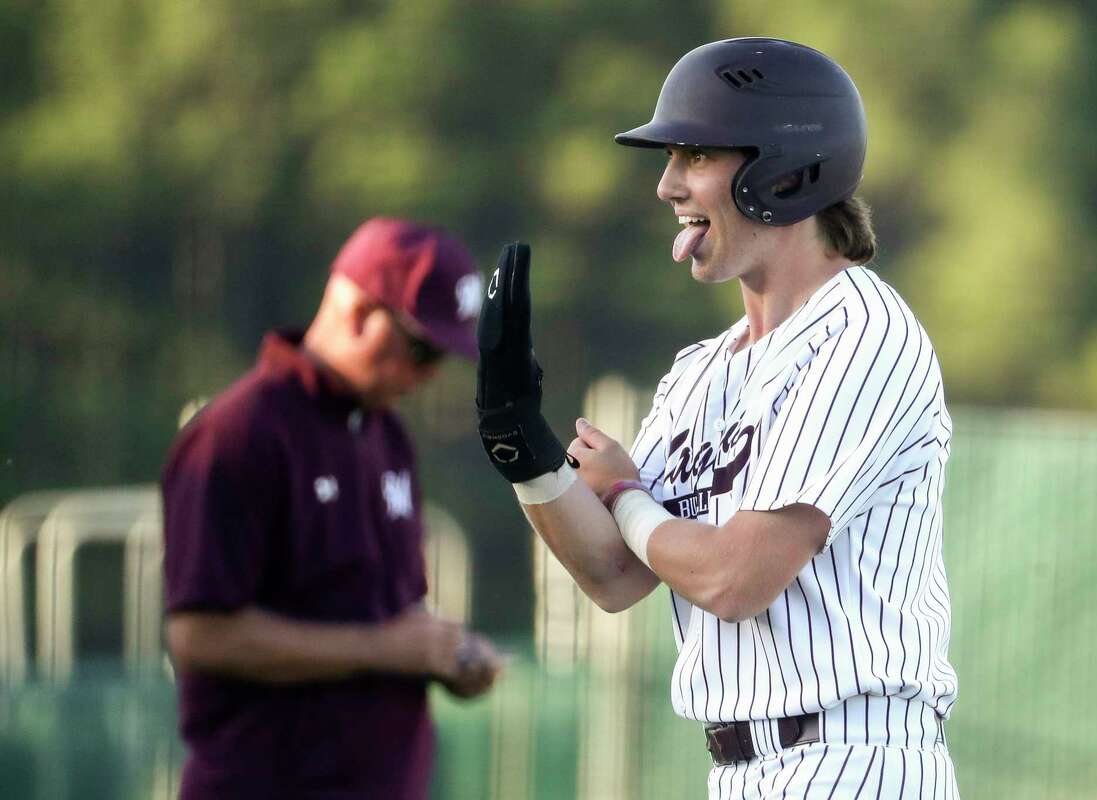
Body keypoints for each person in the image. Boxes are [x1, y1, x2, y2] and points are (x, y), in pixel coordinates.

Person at [476, 39, 959, 798]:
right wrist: (522, 445)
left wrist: (626, 495)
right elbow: (616, 573)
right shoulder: (701, 370)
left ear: (788, 169)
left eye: (695, 154)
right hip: (742, 771)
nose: (668, 185)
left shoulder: (864, 331)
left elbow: (736, 578)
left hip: (852, 759)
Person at [162, 218, 504, 800]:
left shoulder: (386, 436)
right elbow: (199, 634)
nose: (427, 376)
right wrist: (389, 650)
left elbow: (387, 612)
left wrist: (444, 654)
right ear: (358, 310)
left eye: (442, 357)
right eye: (421, 348)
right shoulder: (238, 434)